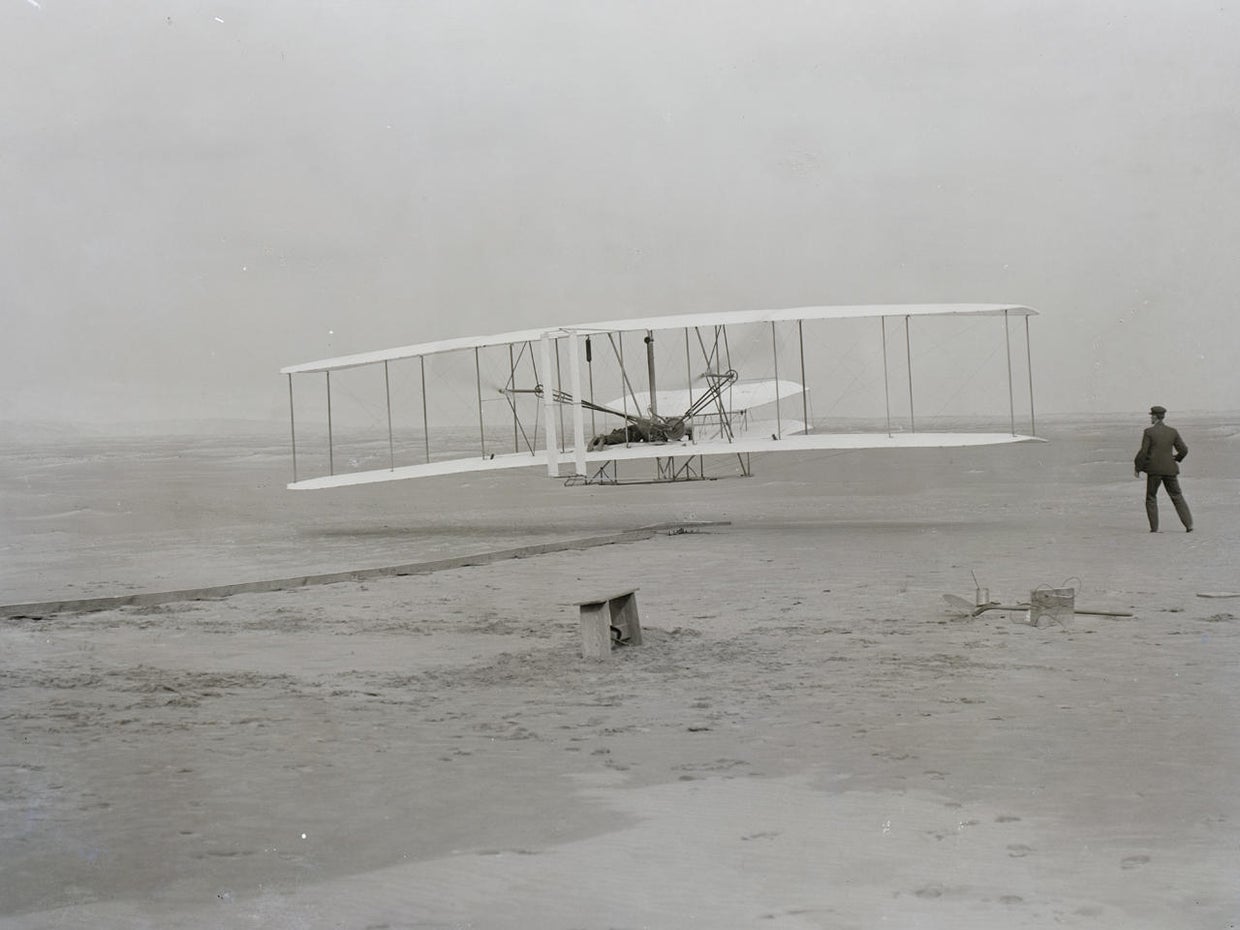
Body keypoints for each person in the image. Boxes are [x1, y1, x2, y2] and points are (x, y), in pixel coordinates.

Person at [1133, 405, 1193, 533]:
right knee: (1177, 496)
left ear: (1155, 417)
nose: (1151, 418)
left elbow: (1143, 452)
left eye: (1152, 416)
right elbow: (1184, 450)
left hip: (1154, 470)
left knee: (1151, 497)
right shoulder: (1172, 431)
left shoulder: (1149, 432)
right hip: (1170, 469)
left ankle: (1154, 528)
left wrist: (1138, 467)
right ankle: (1189, 525)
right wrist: (1176, 458)